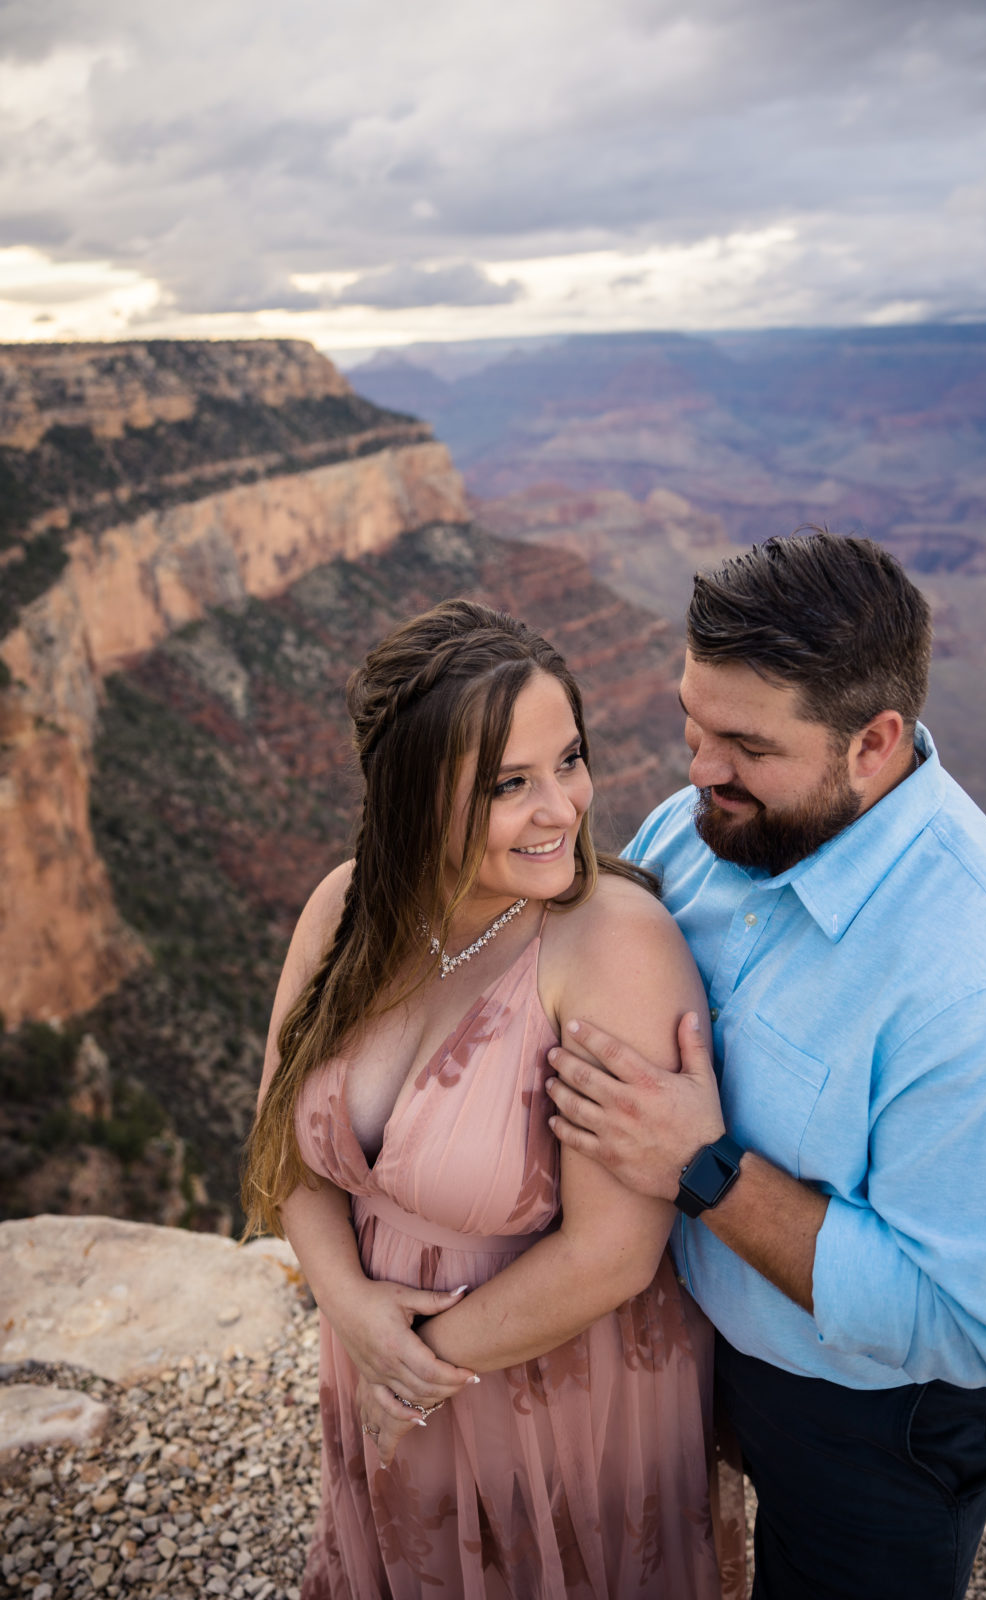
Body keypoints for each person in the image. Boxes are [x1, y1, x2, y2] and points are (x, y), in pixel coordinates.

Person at [545, 530, 986, 1600]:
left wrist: (702, 1167)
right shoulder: (700, 830)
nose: (697, 770)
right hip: (700, 1341)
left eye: (741, 744)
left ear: (873, 742)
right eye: (690, 725)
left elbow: (966, 1323)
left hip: (877, 1417)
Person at [242, 600, 743, 1600]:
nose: (560, 808)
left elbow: (613, 1252)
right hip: (384, 1365)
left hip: (556, 1389)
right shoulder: (342, 911)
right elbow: (283, 1144)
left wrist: (417, 1359)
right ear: (410, 795)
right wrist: (353, 1314)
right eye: (508, 784)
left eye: (568, 760)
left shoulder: (611, 945)